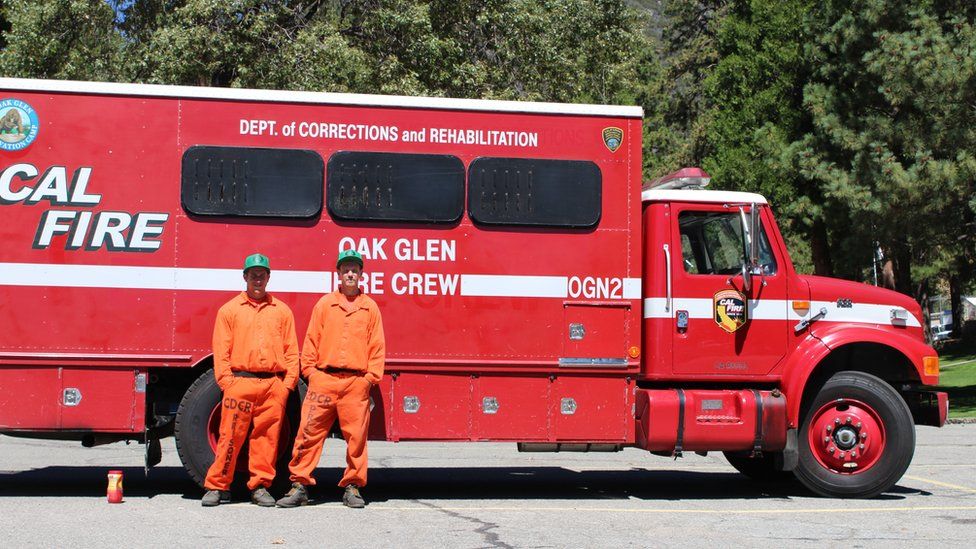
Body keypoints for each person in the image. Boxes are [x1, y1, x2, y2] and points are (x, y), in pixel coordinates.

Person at [277, 249, 385, 509]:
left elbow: (377, 346)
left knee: (356, 439)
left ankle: (353, 487)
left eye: (354, 269)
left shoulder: (369, 308)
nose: (350, 273)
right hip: (323, 379)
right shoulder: (325, 305)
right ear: (338, 274)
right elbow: (311, 340)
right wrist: (312, 373)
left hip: (355, 383)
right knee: (308, 434)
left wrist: (368, 379)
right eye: (346, 269)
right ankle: (300, 485)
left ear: (361, 275)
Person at [201, 253, 299, 507]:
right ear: (244, 277)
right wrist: (228, 383)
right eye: (253, 274)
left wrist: (285, 386)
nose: (258, 278)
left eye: (262, 274)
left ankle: (260, 486)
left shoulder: (282, 311)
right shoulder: (229, 311)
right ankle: (217, 486)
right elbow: (220, 352)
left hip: (272, 387)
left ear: (268, 278)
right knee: (230, 437)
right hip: (239, 384)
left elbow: (292, 352)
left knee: (267, 440)